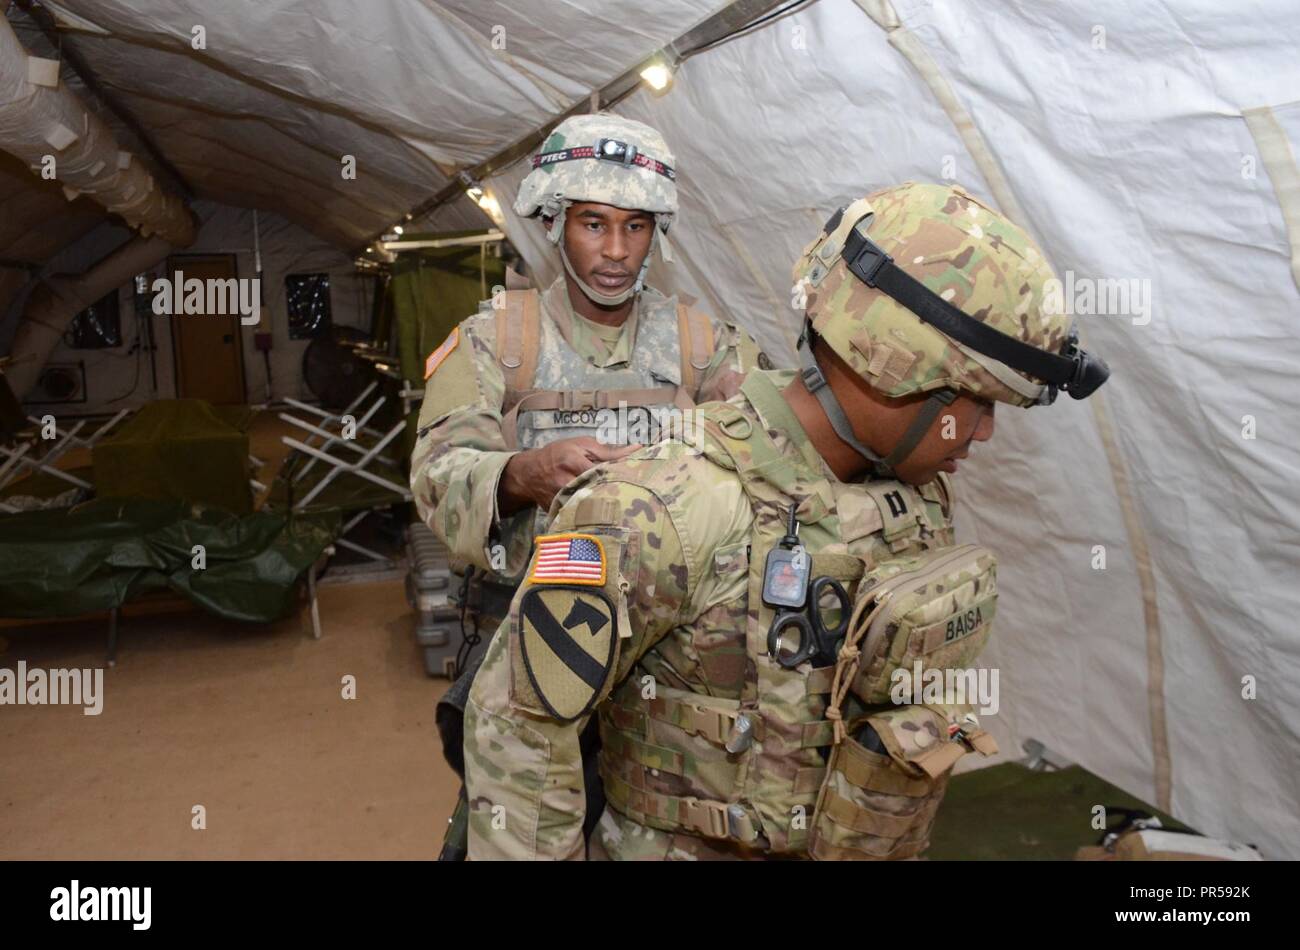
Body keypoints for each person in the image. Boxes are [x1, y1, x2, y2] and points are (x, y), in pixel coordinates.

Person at [460, 181, 1110, 860]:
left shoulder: (906, 496)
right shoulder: (656, 506)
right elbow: (518, 729)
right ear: (893, 366)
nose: (981, 433)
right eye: (978, 401)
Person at [409, 113, 763, 858]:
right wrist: (519, 474)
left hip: (673, 647)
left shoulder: (703, 344)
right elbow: (437, 475)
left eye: (635, 227)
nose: (614, 252)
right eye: (593, 224)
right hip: (539, 626)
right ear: (553, 223)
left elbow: (774, 456)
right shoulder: (498, 341)